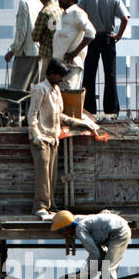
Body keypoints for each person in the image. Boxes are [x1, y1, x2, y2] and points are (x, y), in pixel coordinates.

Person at [27, 59, 91, 218]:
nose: (62, 79)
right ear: (51, 74)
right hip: (41, 138)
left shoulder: (56, 91)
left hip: (53, 137)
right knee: (42, 175)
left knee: (51, 176)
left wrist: (80, 123)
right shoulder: (39, 89)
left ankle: (51, 206)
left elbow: (59, 115)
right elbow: (32, 115)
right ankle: (40, 207)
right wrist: (35, 136)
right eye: (60, 76)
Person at [50, 209, 132, 279]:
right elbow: (97, 255)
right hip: (113, 231)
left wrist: (83, 275)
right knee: (103, 268)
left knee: (107, 270)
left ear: (67, 227)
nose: (62, 235)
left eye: (61, 231)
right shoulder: (77, 220)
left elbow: (94, 254)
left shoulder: (80, 229)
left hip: (119, 234)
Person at [79, 0, 129, 117]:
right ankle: (111, 110)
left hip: (92, 38)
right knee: (110, 74)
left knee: (89, 74)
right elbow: (124, 18)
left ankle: (88, 110)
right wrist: (119, 35)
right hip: (108, 38)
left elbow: (79, 15)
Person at [51, 0, 95, 92]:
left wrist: (75, 53)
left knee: (70, 95)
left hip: (71, 65)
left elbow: (91, 32)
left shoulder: (77, 13)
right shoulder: (63, 14)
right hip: (61, 64)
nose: (59, 0)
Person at [4, 0, 42, 92]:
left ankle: (15, 112)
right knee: (33, 89)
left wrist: (13, 50)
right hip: (38, 52)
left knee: (17, 88)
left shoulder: (24, 3)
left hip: (25, 52)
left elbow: (22, 31)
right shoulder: (39, 3)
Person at [32, 0, 60, 71]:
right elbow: (57, 30)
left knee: (46, 83)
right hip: (60, 54)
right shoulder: (60, 9)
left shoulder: (45, 12)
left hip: (47, 55)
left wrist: (43, 36)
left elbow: (35, 37)